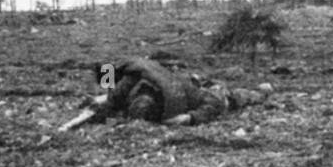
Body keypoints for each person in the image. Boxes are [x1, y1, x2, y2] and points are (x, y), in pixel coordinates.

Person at [75, 58, 270, 128]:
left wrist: (189, 118)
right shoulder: (131, 83)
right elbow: (113, 95)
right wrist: (99, 101)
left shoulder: (180, 95)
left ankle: (261, 92)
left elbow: (215, 104)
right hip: (186, 80)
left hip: (208, 92)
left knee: (232, 97)